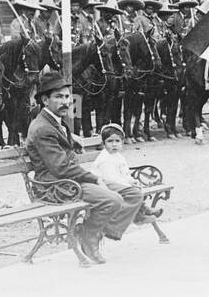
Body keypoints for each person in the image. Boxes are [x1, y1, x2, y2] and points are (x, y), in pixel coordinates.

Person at [25, 72, 143, 265]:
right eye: (59, 97)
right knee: (113, 199)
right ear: (45, 100)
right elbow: (61, 168)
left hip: (70, 180)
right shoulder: (42, 128)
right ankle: (89, 236)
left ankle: (90, 232)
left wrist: (72, 139)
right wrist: (95, 179)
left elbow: (59, 147)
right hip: (55, 185)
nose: (66, 101)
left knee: (133, 194)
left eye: (66, 96)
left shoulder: (54, 121)